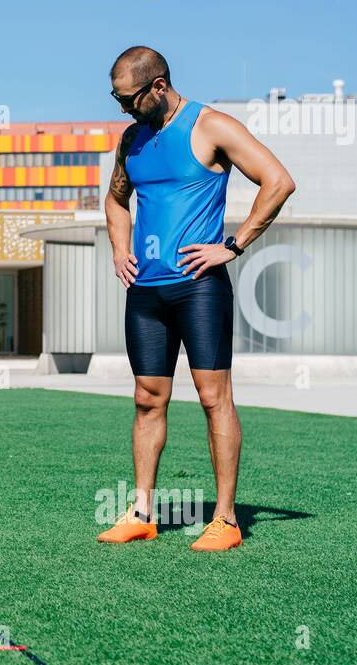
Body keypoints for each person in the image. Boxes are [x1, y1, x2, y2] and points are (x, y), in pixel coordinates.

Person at [98, 46, 296, 551]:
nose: (124, 110)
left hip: (198, 287)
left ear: (158, 87)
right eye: (117, 100)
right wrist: (121, 246)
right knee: (147, 399)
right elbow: (116, 196)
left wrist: (232, 245)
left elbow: (278, 181)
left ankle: (226, 519)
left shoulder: (212, 126)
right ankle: (142, 511)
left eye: (129, 100)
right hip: (146, 291)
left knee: (214, 398)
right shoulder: (133, 139)